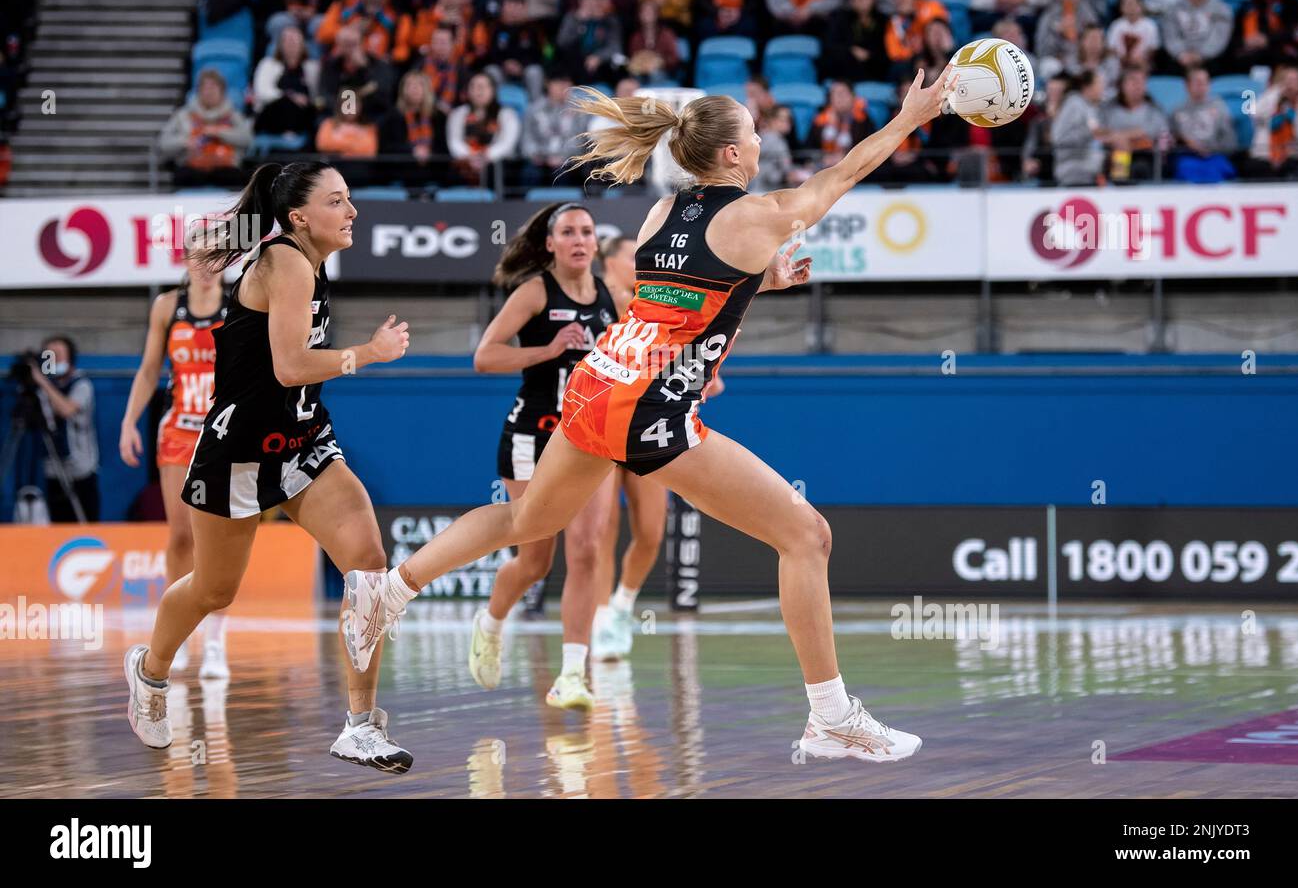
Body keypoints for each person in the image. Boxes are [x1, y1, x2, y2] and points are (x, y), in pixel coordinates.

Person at [341, 66, 958, 763]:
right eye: (753, 134)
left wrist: (764, 275)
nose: (760, 142)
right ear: (731, 154)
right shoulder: (756, 215)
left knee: (525, 521)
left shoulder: (667, 212)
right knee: (806, 536)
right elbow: (844, 173)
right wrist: (914, 115)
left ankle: (386, 594)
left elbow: (675, 289)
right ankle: (830, 716)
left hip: (598, 379)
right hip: (648, 404)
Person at [124, 161, 415, 775]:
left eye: (350, 199)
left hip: (304, 442)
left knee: (367, 567)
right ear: (299, 216)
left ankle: (361, 726)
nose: (352, 211)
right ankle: (150, 673)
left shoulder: (311, 259)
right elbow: (287, 365)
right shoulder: (283, 260)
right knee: (213, 588)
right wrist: (369, 353)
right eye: (338, 201)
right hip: (240, 450)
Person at [465, 203, 620, 709]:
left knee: (589, 550)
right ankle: (490, 623)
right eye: (568, 232)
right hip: (534, 435)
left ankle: (573, 674)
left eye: (587, 232)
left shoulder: (612, 299)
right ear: (550, 244)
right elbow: (485, 357)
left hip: (590, 441)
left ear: (597, 243)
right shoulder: (534, 292)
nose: (579, 239)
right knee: (535, 560)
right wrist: (549, 351)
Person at [588, 233, 722, 661]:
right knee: (601, 529)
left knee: (650, 530)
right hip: (604, 421)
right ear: (607, 261)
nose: (639, 262)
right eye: (631, 255)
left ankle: (622, 608)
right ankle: (597, 620)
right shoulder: (591, 303)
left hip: (650, 422)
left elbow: (703, 371)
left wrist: (698, 377)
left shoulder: (658, 305)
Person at [120, 260, 229, 676]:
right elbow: (149, 370)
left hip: (222, 434)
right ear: (186, 260)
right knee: (181, 537)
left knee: (219, 545)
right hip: (179, 432)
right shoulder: (167, 306)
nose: (206, 265)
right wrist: (130, 421)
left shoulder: (239, 302)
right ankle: (177, 634)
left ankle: (216, 640)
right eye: (199, 255)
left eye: (216, 256)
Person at [29, 336, 99, 522]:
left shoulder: (81, 384)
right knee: (58, 523)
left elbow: (66, 409)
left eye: (58, 355)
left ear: (70, 358)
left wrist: (42, 382)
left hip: (80, 470)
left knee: (85, 522)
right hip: (53, 468)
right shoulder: (44, 388)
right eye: (48, 356)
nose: (53, 360)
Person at [158, 70, 254, 189]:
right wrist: (184, 141)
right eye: (205, 88)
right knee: (183, 176)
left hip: (226, 169)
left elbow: (247, 139)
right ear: (198, 91)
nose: (209, 92)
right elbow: (163, 143)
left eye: (213, 87)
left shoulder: (233, 115)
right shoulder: (183, 115)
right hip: (192, 169)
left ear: (222, 91)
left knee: (238, 177)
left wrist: (219, 132)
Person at [1171, 65, 1238, 182]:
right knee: (1185, 168)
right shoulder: (1177, 112)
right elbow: (1172, 140)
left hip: (1215, 156)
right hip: (1188, 158)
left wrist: (1211, 150)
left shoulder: (1220, 108)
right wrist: (1188, 146)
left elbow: (1230, 139)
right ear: (1187, 85)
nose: (1201, 86)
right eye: (1197, 82)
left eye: (1205, 82)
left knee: (1216, 170)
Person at [1051, 69, 1108, 185]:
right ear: (1087, 87)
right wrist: (1090, 133)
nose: (1102, 89)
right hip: (1073, 172)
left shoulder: (1091, 107)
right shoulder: (1074, 104)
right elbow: (1058, 138)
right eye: (1099, 84)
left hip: (1091, 172)